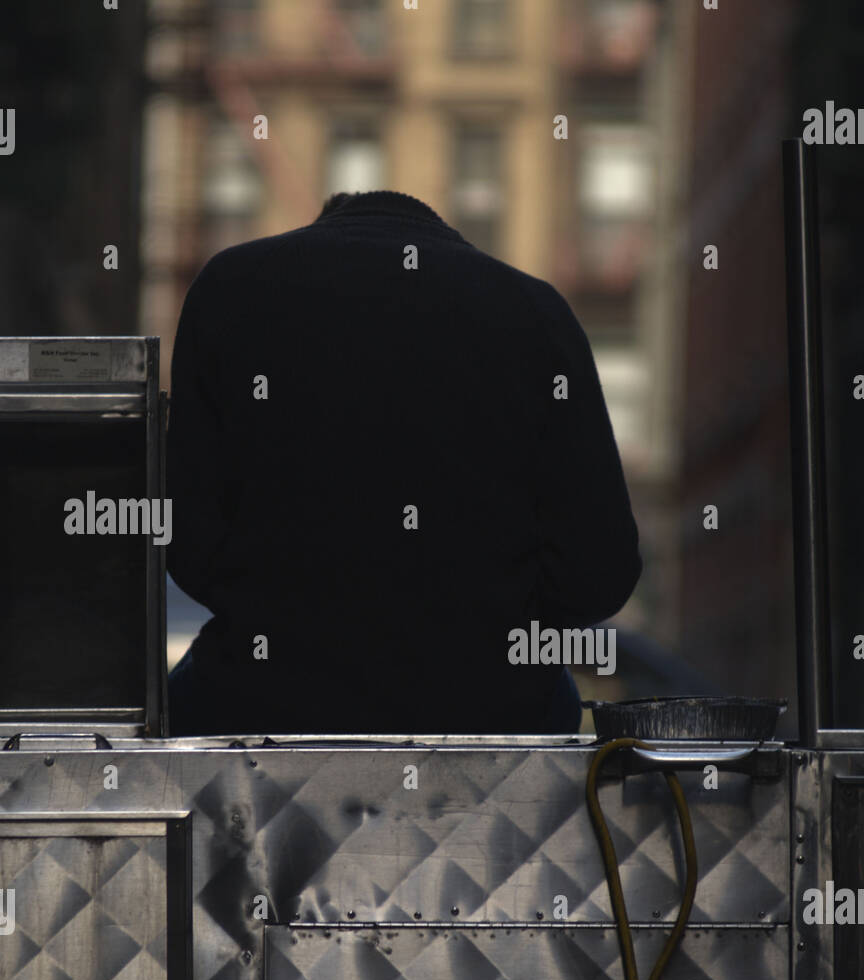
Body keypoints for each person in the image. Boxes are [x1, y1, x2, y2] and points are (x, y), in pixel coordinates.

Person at [165, 189, 641, 734]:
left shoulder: (230, 286)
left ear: (327, 223)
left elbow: (187, 543)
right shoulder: (540, 312)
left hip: (259, 695)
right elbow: (601, 574)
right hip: (492, 707)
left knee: (171, 715)